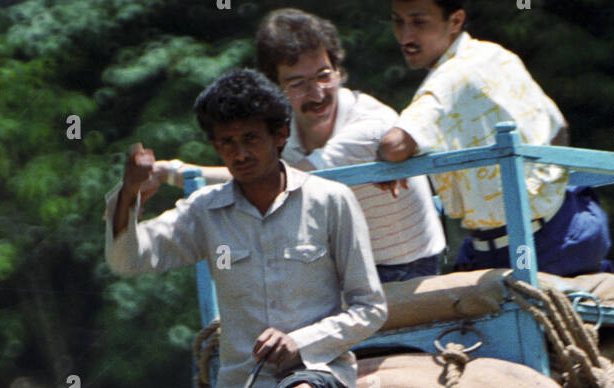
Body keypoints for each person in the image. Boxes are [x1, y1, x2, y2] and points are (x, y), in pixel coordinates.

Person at [105, 69, 386, 388]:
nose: (239, 153)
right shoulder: (204, 210)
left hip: (319, 375)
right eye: (227, 142)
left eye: (251, 138)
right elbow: (128, 260)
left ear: (280, 135)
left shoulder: (331, 202)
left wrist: (299, 342)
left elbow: (371, 308)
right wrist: (128, 193)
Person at [159, 9, 446, 283]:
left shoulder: (369, 127)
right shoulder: (286, 133)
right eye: (297, 84)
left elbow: (274, 181)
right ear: (275, 89)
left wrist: (181, 183)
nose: (318, 94)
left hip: (406, 268)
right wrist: (177, 175)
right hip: (344, 271)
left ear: (338, 70)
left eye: (324, 75)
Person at [377, 0, 611, 277]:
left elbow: (393, 146)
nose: (405, 36)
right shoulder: (496, 55)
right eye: (398, 21)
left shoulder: (449, 77)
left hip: (541, 246)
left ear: (455, 21)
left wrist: (388, 163)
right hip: (573, 221)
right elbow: (559, 128)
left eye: (419, 22)